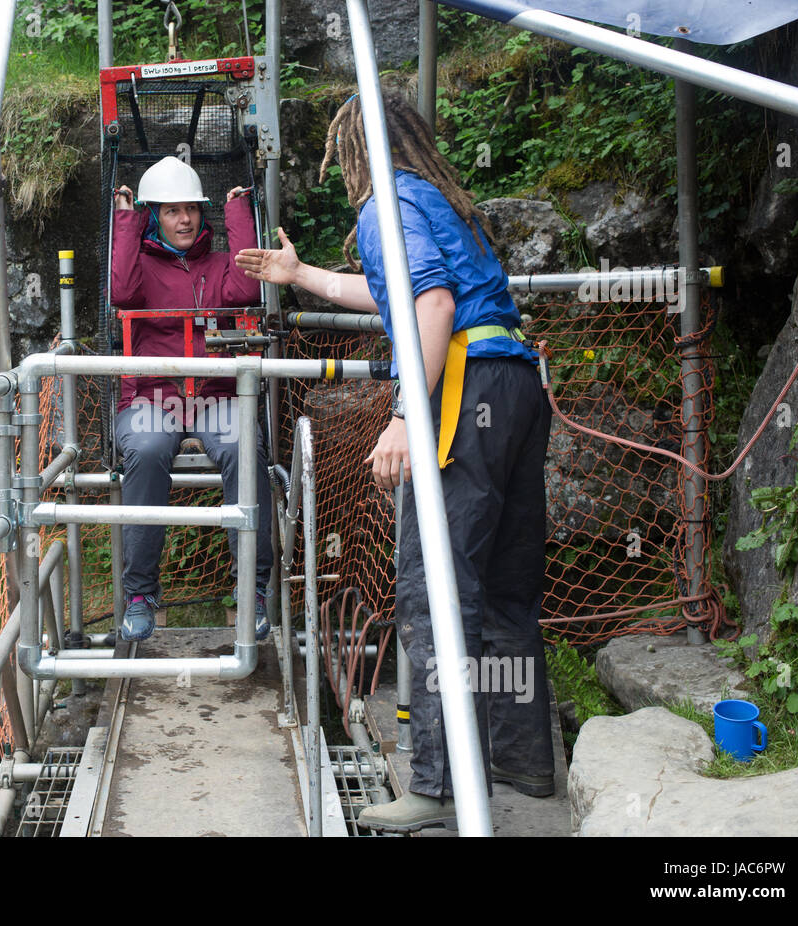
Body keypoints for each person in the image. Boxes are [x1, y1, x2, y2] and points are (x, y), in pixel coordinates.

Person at [236, 90, 553, 832]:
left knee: (432, 591)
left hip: (464, 391)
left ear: (354, 149)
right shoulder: (439, 199)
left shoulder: (385, 205)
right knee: (506, 590)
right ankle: (524, 759)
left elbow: (432, 308)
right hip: (513, 384)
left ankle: (435, 786)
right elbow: (397, 298)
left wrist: (408, 415)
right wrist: (304, 275)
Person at [109, 155, 273, 643]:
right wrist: (126, 218)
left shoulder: (220, 266)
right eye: (172, 211)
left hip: (215, 397)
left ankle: (254, 588)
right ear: (154, 216)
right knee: (146, 449)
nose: (185, 220)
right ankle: (140, 593)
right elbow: (120, 290)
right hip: (153, 399)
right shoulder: (138, 268)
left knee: (244, 447)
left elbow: (246, 289)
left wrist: (238, 215)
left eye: (192, 210)